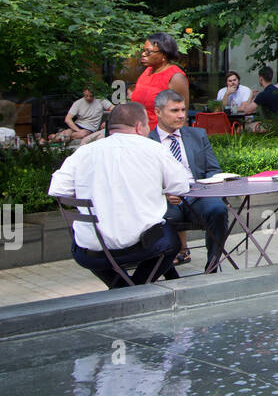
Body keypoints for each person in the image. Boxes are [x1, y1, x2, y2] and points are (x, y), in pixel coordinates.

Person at [48, 102, 188, 288]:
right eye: (147, 125)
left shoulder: (83, 152)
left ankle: (121, 289)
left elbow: (58, 190)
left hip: (90, 250)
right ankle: (131, 291)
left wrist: (95, 190)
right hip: (142, 245)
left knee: (96, 247)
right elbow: (181, 185)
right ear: (139, 127)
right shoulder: (153, 149)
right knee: (171, 242)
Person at [150, 89, 229, 271]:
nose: (181, 116)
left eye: (183, 110)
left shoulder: (197, 135)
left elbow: (213, 170)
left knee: (218, 209)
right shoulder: (147, 141)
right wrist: (162, 193)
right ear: (158, 112)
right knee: (160, 219)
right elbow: (140, 180)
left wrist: (201, 188)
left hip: (197, 196)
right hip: (166, 201)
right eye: (174, 111)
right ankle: (167, 272)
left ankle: (212, 267)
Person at [129, 33, 191, 130]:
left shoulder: (176, 77)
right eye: (143, 50)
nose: (143, 54)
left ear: (164, 55)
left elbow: (181, 115)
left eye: (148, 52)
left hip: (161, 138)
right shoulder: (147, 71)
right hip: (139, 133)